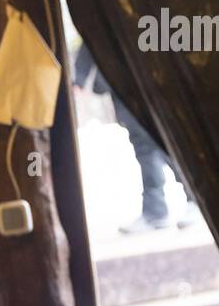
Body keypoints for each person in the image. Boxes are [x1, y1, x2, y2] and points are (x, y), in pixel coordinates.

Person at [70, 40, 201, 232]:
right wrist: (79, 78)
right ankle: (180, 203)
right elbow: (92, 41)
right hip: (131, 84)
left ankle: (174, 205)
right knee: (155, 144)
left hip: (149, 82)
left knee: (157, 144)